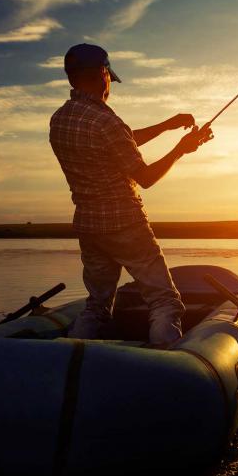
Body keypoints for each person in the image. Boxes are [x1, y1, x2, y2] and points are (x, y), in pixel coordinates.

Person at [49, 43, 213, 346]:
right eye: (109, 76)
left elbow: (121, 140)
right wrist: (182, 149)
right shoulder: (105, 121)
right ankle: (165, 365)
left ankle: (70, 358)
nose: (110, 83)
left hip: (88, 226)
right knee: (165, 301)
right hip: (126, 223)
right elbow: (146, 178)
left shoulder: (60, 120)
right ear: (102, 74)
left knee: (97, 305)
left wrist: (167, 125)